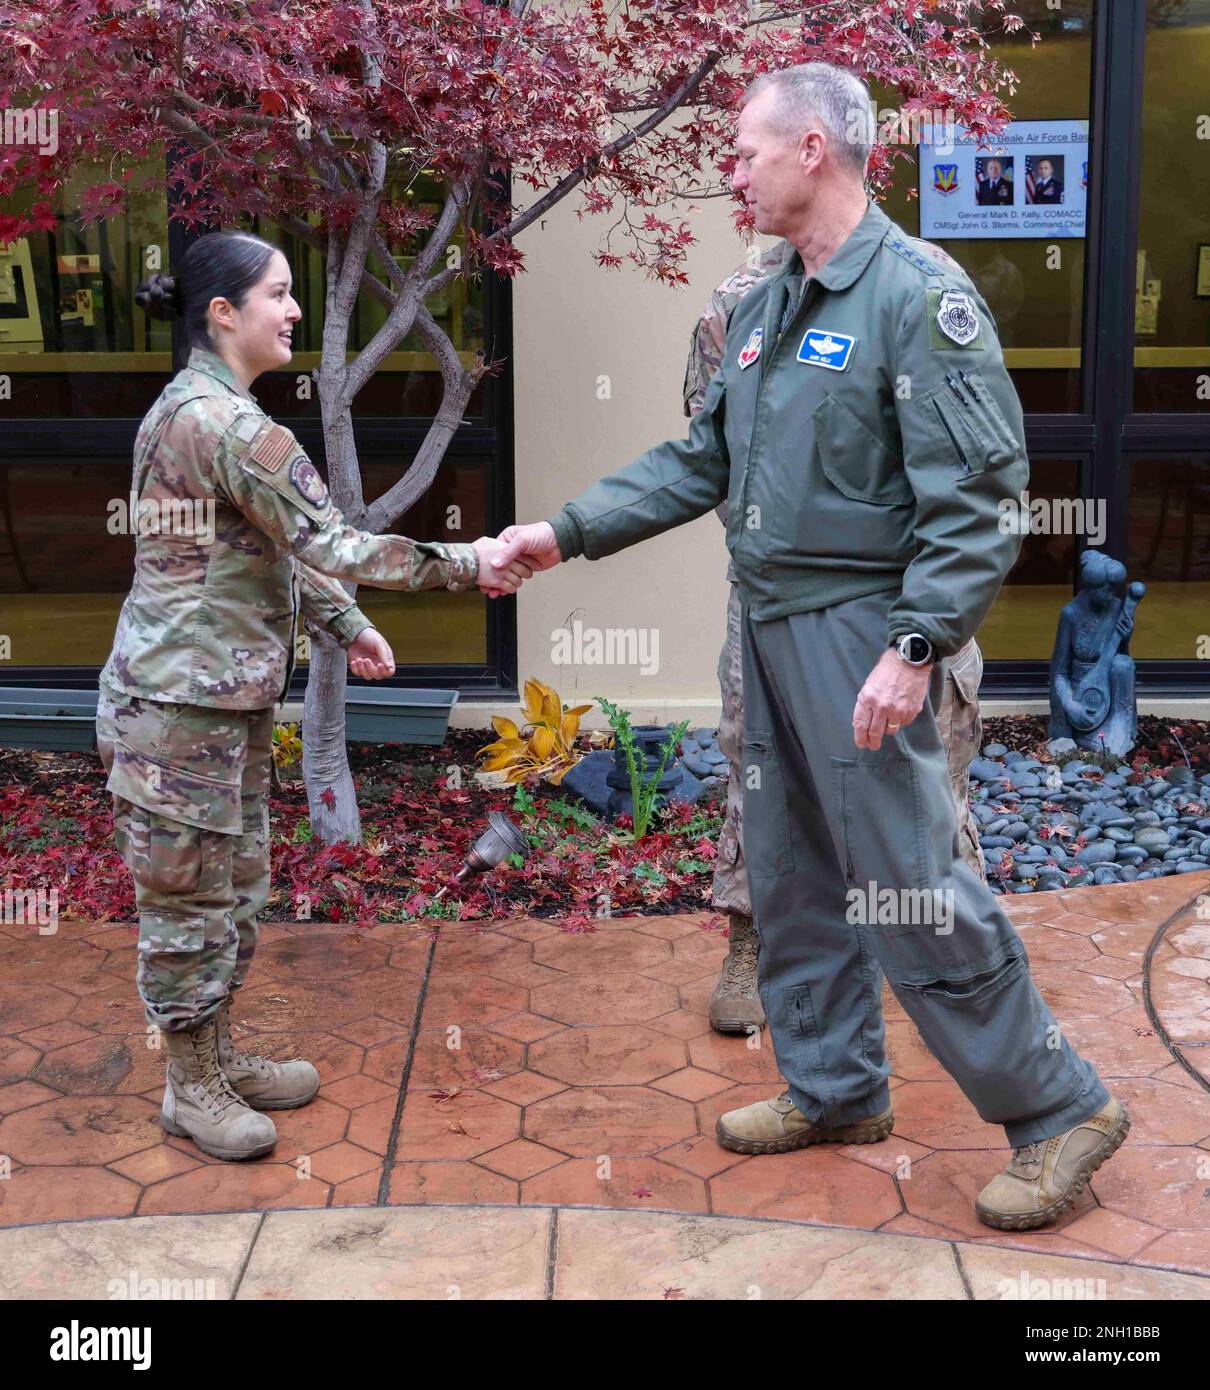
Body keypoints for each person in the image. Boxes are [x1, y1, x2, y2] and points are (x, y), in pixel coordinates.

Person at [490, 62, 1128, 1230]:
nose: (729, 170)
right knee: (789, 873)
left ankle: (1057, 1107)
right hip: (768, 620)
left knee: (906, 887)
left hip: (863, 630)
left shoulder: (916, 298)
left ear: (813, 153)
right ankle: (836, 1087)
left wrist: (916, 644)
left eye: (743, 151)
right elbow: (701, 460)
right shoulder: (770, 298)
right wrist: (559, 532)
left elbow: (981, 500)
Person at [95, 231, 532, 1162]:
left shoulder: (200, 411)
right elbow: (330, 539)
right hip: (179, 714)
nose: (295, 311)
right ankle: (189, 1087)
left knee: (236, 891)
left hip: (217, 705)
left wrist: (344, 625)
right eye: (279, 294)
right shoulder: (230, 428)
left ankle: (214, 1054)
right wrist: (472, 561)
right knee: (186, 906)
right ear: (223, 314)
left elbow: (268, 549)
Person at [683, 244, 989, 1035]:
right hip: (779, 590)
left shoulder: (920, 285)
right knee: (760, 760)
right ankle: (754, 938)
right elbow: (716, 454)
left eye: (759, 154)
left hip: (909, 588)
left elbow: (968, 465)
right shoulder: (740, 299)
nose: (743, 176)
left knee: (930, 763)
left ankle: (958, 961)